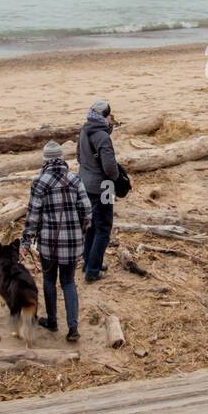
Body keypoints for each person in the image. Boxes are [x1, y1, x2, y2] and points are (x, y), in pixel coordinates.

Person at [21, 140, 92, 341]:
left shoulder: (40, 182)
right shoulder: (75, 179)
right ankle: (73, 328)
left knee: (49, 280)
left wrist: (26, 242)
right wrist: (82, 231)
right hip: (72, 242)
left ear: (45, 160)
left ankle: (52, 321)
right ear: (61, 158)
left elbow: (33, 216)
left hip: (49, 243)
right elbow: (87, 210)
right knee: (69, 282)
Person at [77, 98, 118, 283]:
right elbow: (110, 168)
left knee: (92, 226)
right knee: (103, 228)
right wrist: (118, 178)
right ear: (104, 117)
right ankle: (93, 271)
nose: (111, 119)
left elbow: (78, 157)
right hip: (104, 186)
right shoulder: (102, 136)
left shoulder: (84, 131)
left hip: (84, 183)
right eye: (109, 116)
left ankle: (89, 263)